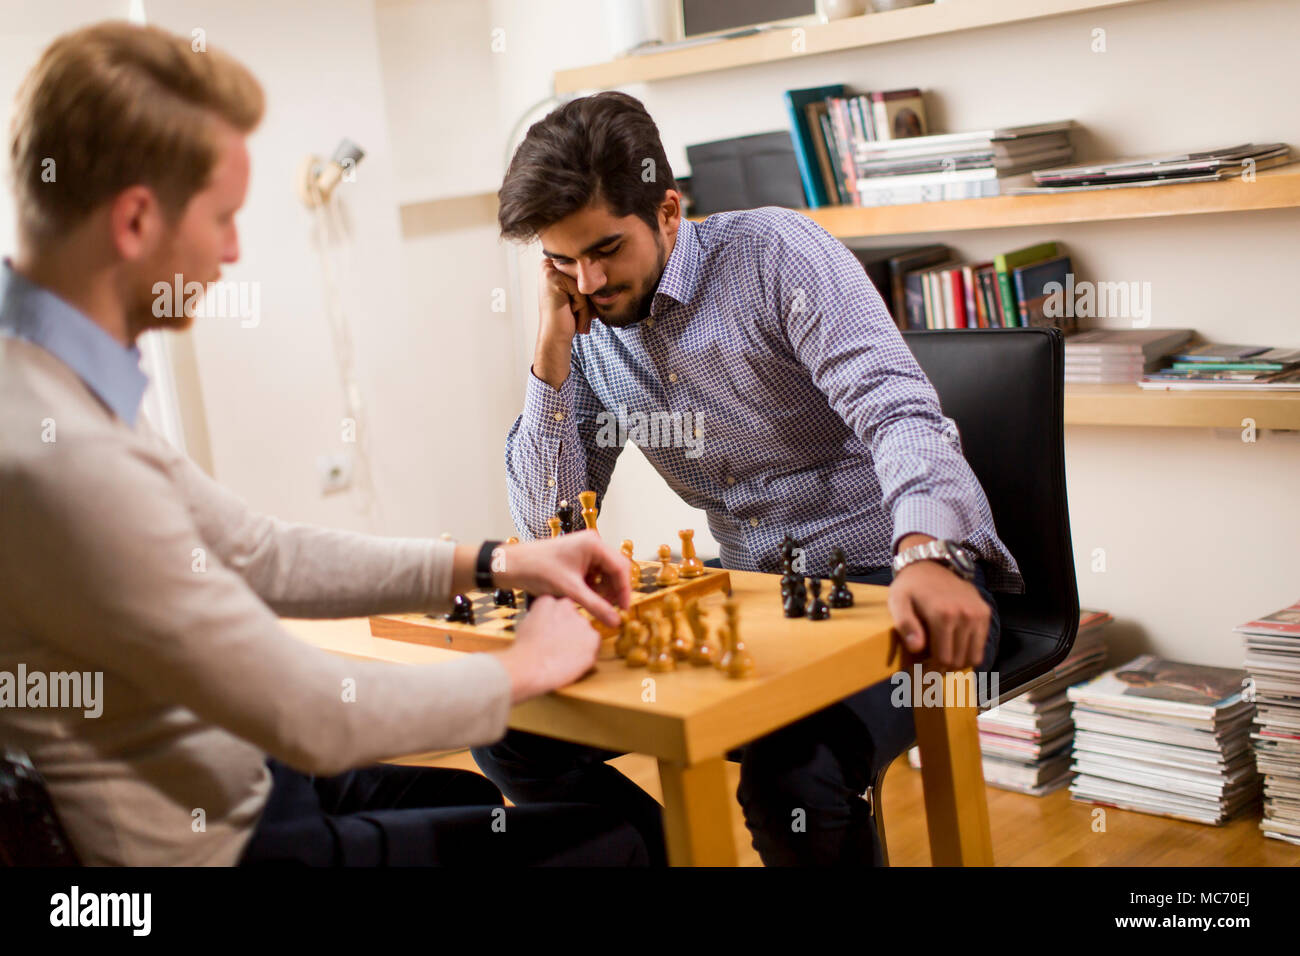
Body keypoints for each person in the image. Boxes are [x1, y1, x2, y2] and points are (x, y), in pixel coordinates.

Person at [0, 22, 641, 867]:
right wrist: (522, 668)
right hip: (225, 848)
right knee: (622, 843)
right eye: (223, 218)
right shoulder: (60, 457)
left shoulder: (47, 377)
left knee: (475, 802)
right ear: (135, 221)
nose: (233, 250)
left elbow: (257, 553)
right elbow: (311, 713)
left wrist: (498, 562)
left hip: (245, 779)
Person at [473, 92, 1023, 866]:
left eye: (606, 250)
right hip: (757, 595)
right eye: (562, 261)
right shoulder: (585, 324)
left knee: (792, 779)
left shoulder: (775, 254)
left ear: (667, 211)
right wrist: (550, 351)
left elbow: (898, 412)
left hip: (897, 576)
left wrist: (927, 552)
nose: (588, 281)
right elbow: (547, 524)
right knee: (508, 729)